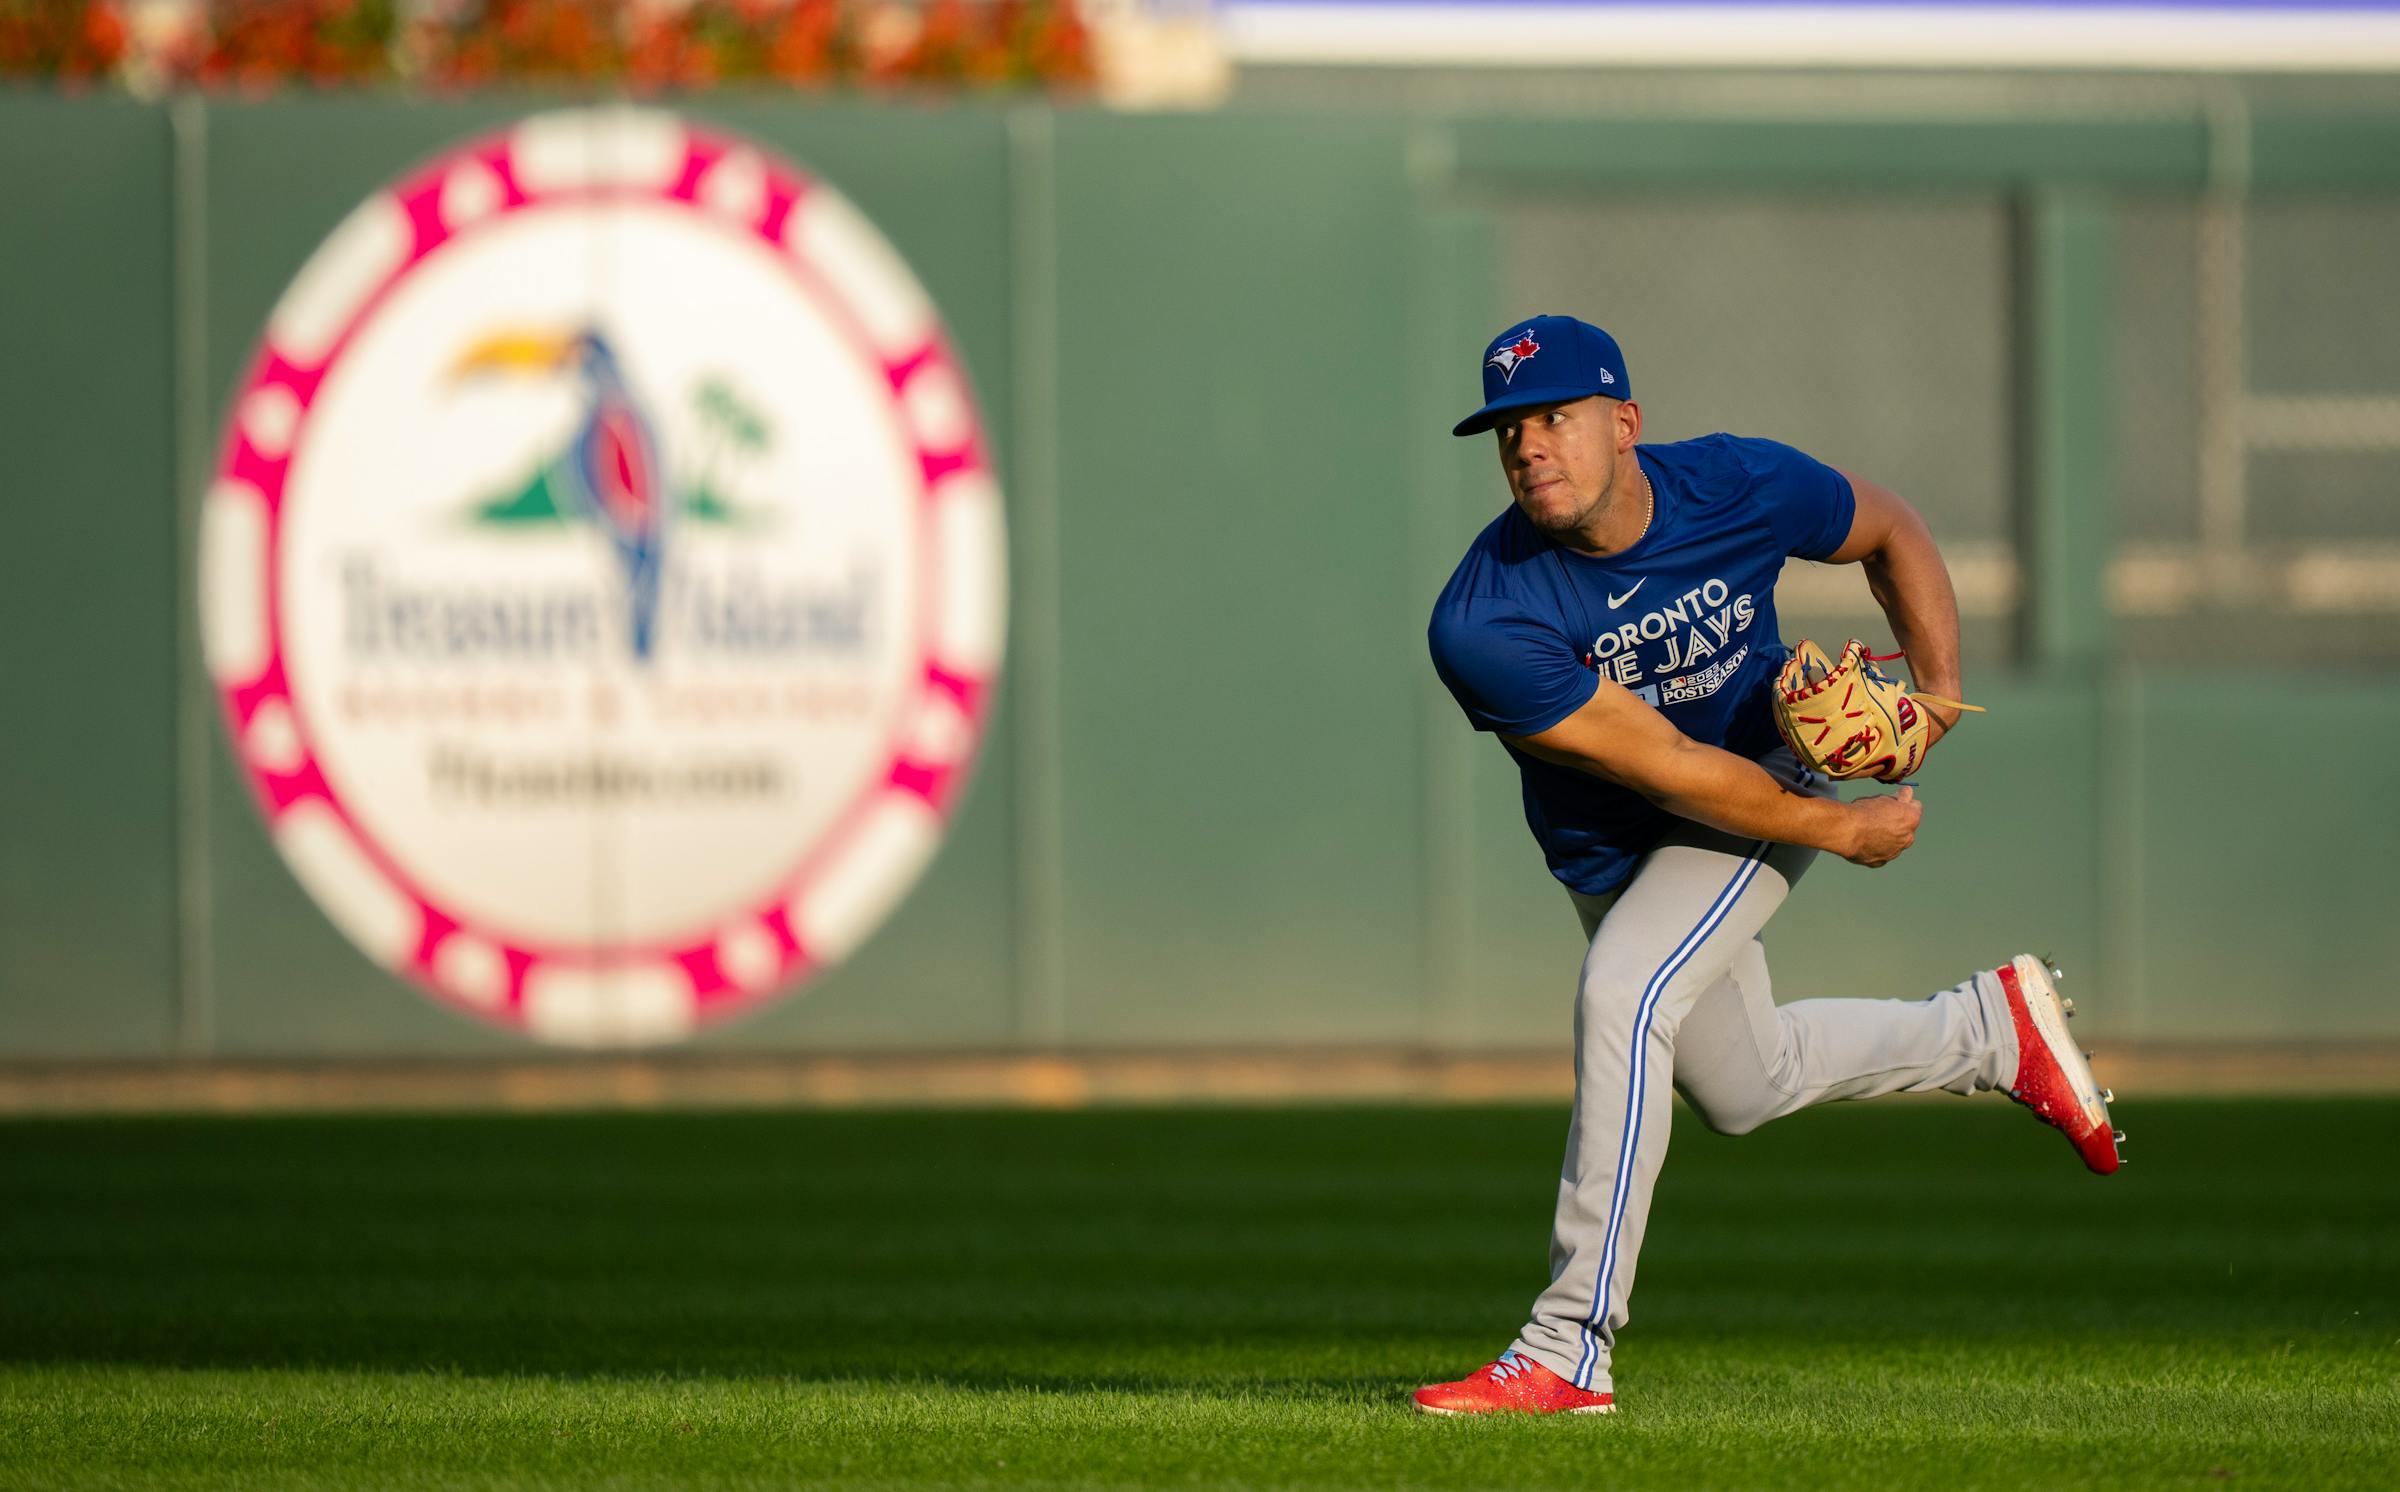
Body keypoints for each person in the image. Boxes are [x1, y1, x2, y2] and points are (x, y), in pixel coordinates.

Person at [1414, 315, 2120, 1418]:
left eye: (1555, 415)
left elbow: (1893, 528)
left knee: (1626, 991)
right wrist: (1849, 830)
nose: (1530, 446)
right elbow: (1666, 767)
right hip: (1642, 827)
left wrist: (1932, 700)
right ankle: (1991, 1029)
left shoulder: (1737, 483)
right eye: (1509, 428)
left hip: (1766, 765)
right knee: (1745, 1085)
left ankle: (1567, 1349)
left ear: (1626, 423)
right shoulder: (1485, 618)